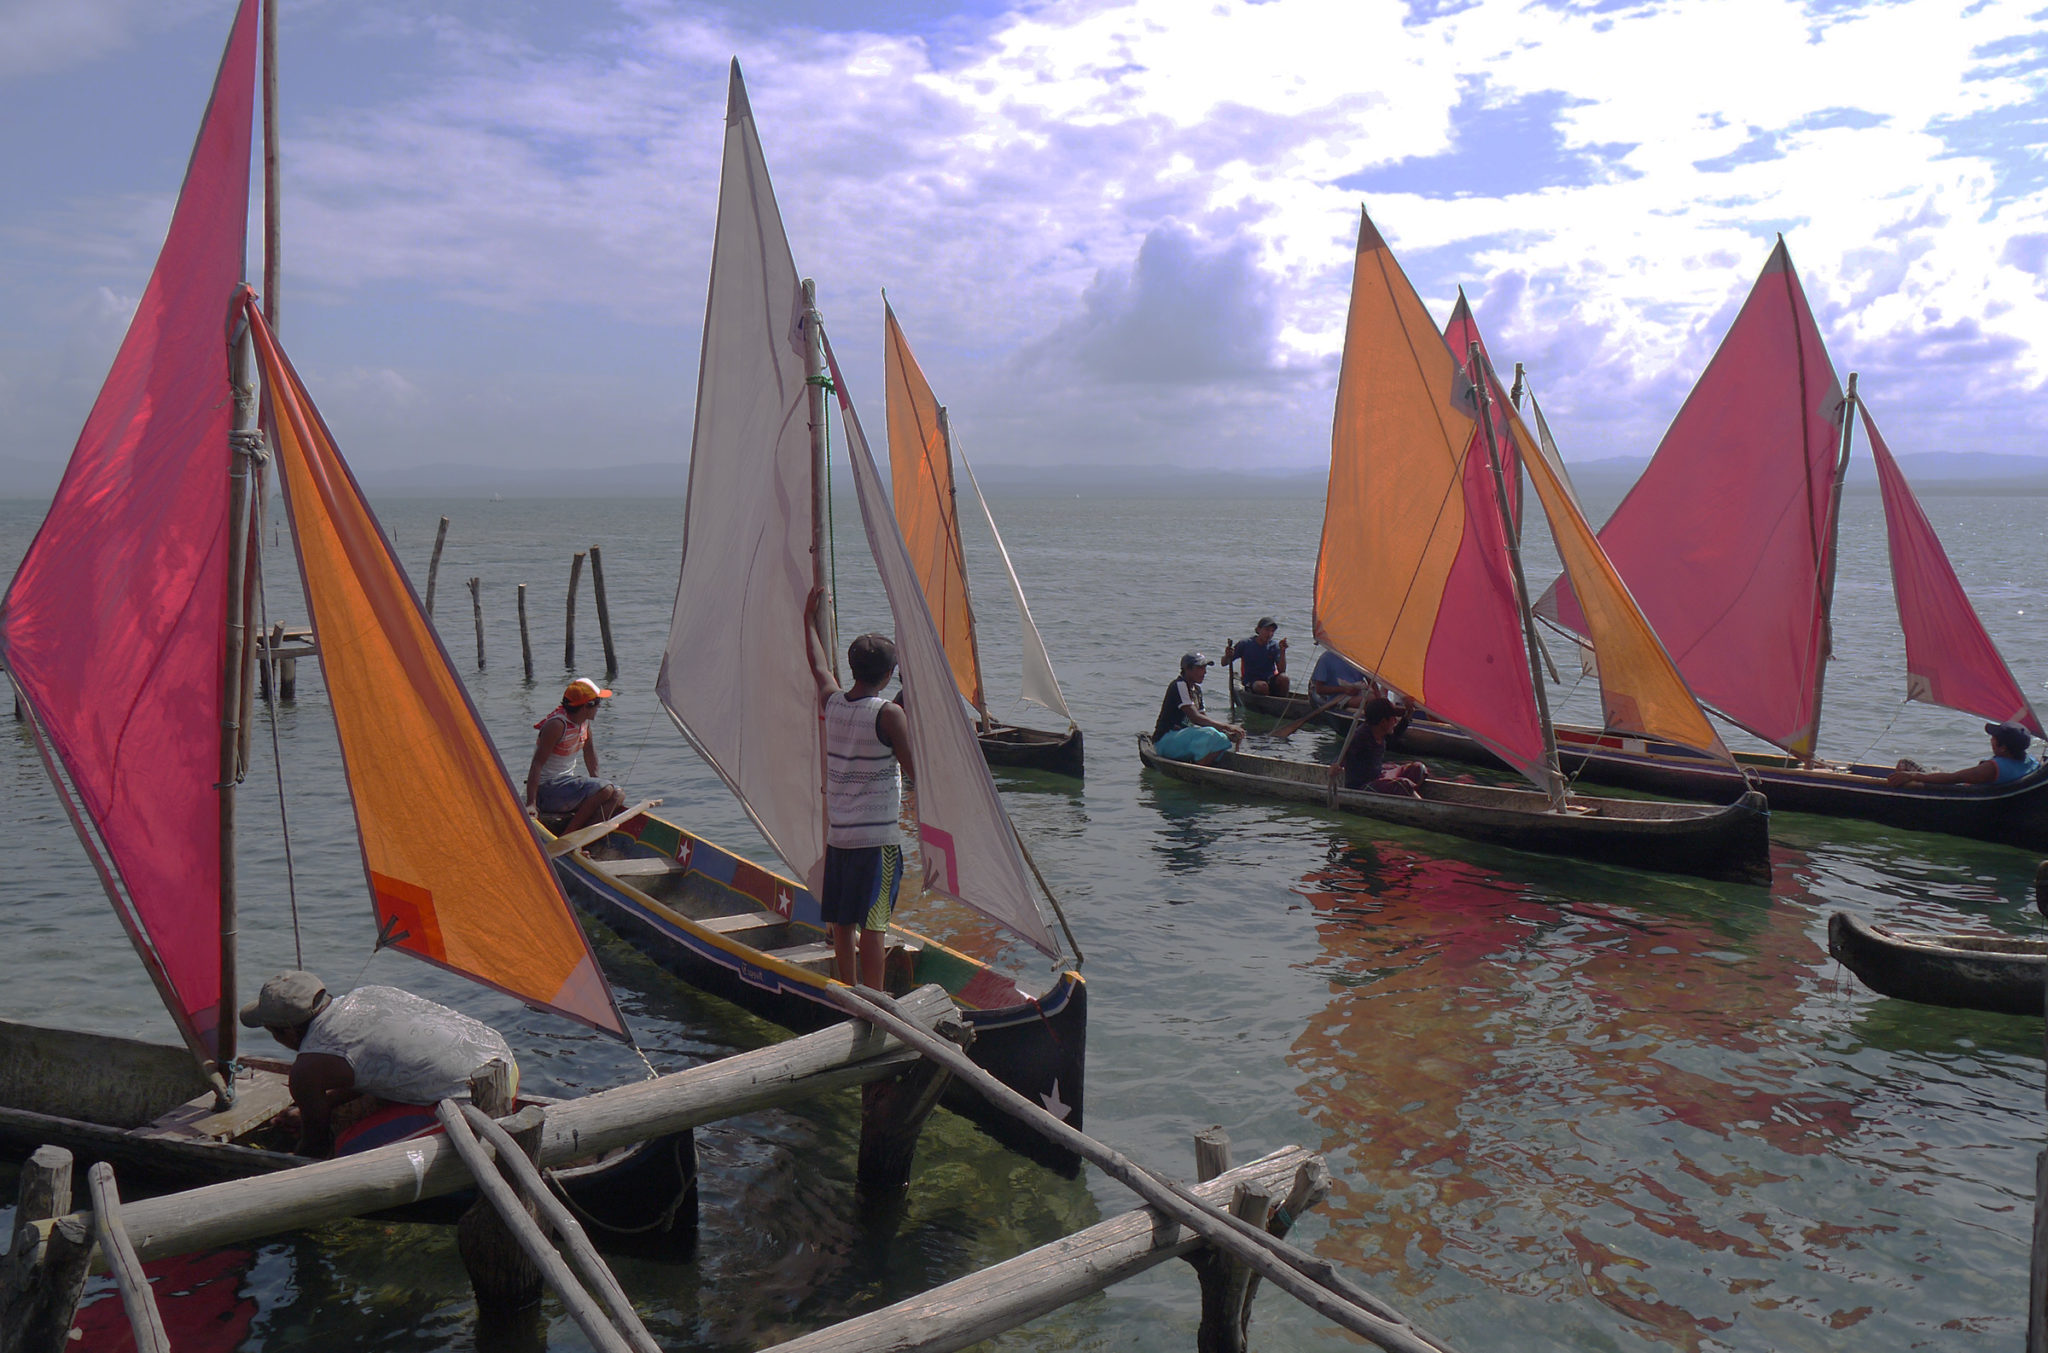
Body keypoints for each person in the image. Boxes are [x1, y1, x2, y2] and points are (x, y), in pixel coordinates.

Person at [241, 970, 517, 1158]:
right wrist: (319, 1108)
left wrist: (286, 1165)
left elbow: (314, 1144)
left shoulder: (308, 1069)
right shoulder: (368, 994)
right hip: (506, 1066)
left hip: (477, 1103)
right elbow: (374, 1066)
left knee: (347, 1150)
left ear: (286, 1032)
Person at [805, 587, 915, 990]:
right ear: (888, 677)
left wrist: (808, 623)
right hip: (878, 842)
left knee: (843, 922)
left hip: (841, 838)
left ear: (852, 669)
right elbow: (913, 769)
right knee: (874, 924)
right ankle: (873, 997)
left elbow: (818, 667)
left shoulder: (833, 704)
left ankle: (850, 990)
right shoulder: (889, 714)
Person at [525, 678, 626, 831]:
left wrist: (597, 780)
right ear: (587, 706)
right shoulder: (557, 725)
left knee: (617, 794)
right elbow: (537, 763)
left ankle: (586, 837)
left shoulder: (584, 722)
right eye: (597, 703)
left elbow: (589, 752)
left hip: (565, 784)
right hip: (546, 789)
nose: (599, 707)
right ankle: (569, 837)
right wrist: (531, 802)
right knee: (605, 789)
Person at [1888, 721, 2042, 789]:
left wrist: (1912, 776)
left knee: (1905, 763)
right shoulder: (2032, 762)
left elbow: (1953, 779)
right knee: (1936, 768)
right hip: (1970, 782)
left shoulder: (1991, 769)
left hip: (1958, 787)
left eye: (1994, 738)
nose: (1991, 740)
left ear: (2003, 748)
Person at [1153, 652, 1245, 765]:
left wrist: (1226, 732)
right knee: (1211, 734)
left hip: (1182, 739)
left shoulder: (1196, 690)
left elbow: (1203, 719)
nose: (1205, 672)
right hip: (1165, 741)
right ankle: (1199, 766)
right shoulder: (1180, 685)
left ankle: (1200, 765)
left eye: (1205, 668)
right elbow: (1195, 718)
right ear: (1187, 669)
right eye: (1200, 668)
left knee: (1223, 739)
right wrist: (1228, 726)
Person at [1330, 696, 1427, 796]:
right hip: (1363, 787)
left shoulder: (1381, 732)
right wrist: (1334, 766)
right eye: (1393, 718)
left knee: (1418, 768)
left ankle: (1408, 793)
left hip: (1378, 776)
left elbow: (1395, 735)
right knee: (1401, 784)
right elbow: (1343, 755)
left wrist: (1408, 713)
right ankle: (1415, 799)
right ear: (1383, 722)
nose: (1395, 721)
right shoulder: (1361, 737)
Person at [1224, 618, 1290, 696]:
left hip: (1269, 680)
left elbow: (1282, 670)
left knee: (1284, 678)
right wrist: (1228, 656)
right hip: (1252, 682)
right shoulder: (1245, 644)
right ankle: (1267, 703)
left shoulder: (1274, 646)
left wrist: (1282, 651)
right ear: (1258, 630)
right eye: (1267, 630)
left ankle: (1281, 702)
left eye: (1272, 631)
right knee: (1262, 686)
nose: (1269, 634)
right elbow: (1224, 662)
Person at [1309, 647, 1377, 711]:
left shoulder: (1360, 657)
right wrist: (1344, 689)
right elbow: (1319, 689)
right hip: (1337, 697)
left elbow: (1372, 682)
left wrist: (1381, 698)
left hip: (1359, 692)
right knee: (1367, 702)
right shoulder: (1325, 659)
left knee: (1373, 699)